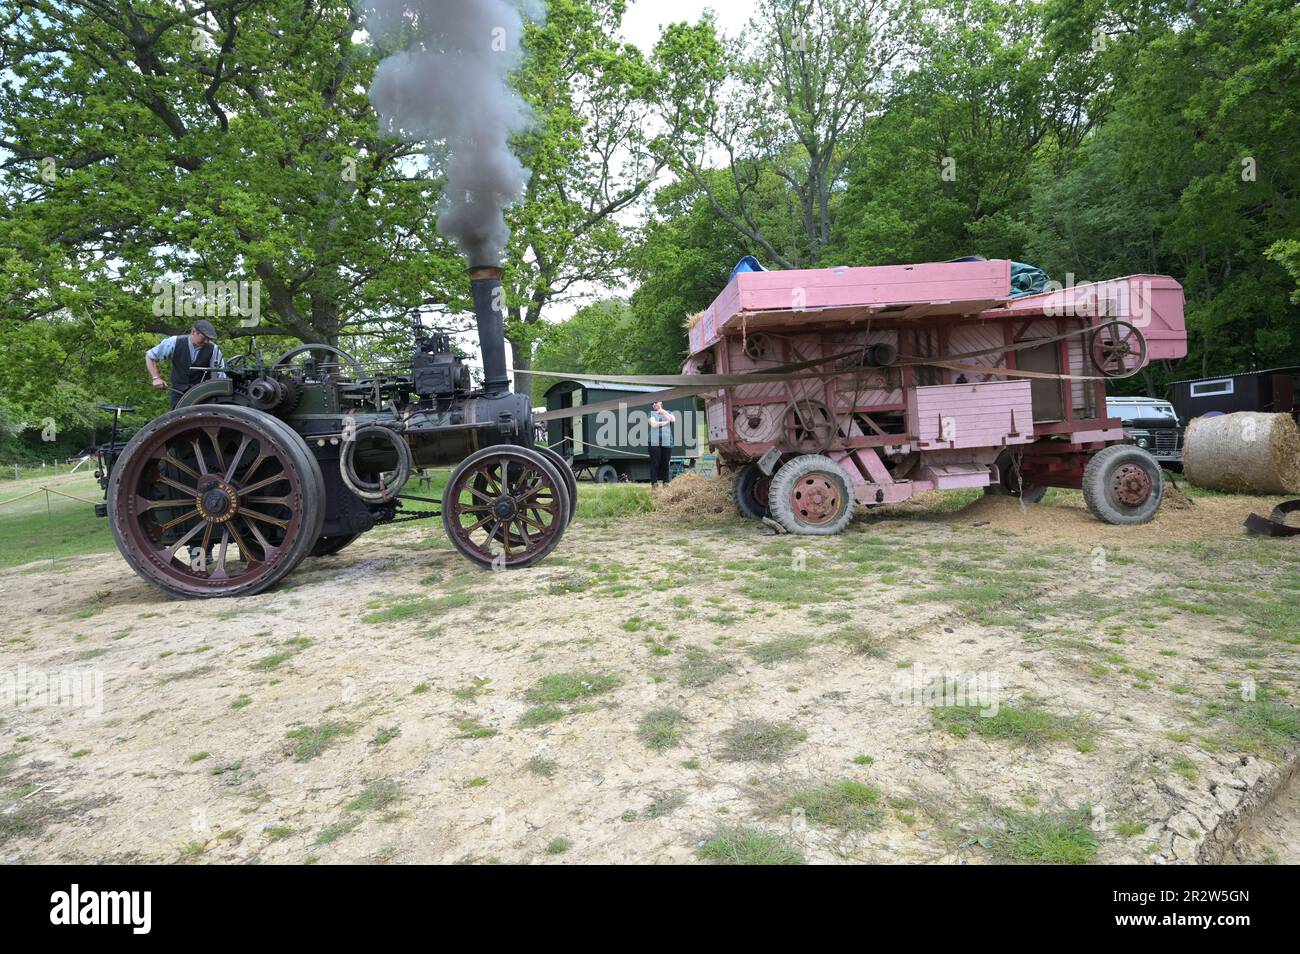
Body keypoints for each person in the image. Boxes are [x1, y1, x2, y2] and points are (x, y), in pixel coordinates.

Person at [146, 319, 227, 409]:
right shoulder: (174, 342)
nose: (206, 341)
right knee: (178, 420)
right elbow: (150, 356)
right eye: (204, 338)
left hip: (203, 396)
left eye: (209, 339)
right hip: (178, 395)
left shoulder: (214, 349)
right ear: (193, 332)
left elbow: (219, 375)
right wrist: (156, 378)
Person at [646, 400, 674, 488]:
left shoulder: (669, 412)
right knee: (655, 463)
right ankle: (654, 484)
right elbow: (654, 424)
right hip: (654, 442)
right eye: (652, 403)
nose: (654, 404)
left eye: (655, 402)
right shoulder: (651, 413)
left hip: (667, 442)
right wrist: (666, 422)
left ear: (660, 402)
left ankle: (666, 483)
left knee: (666, 463)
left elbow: (673, 420)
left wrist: (663, 412)